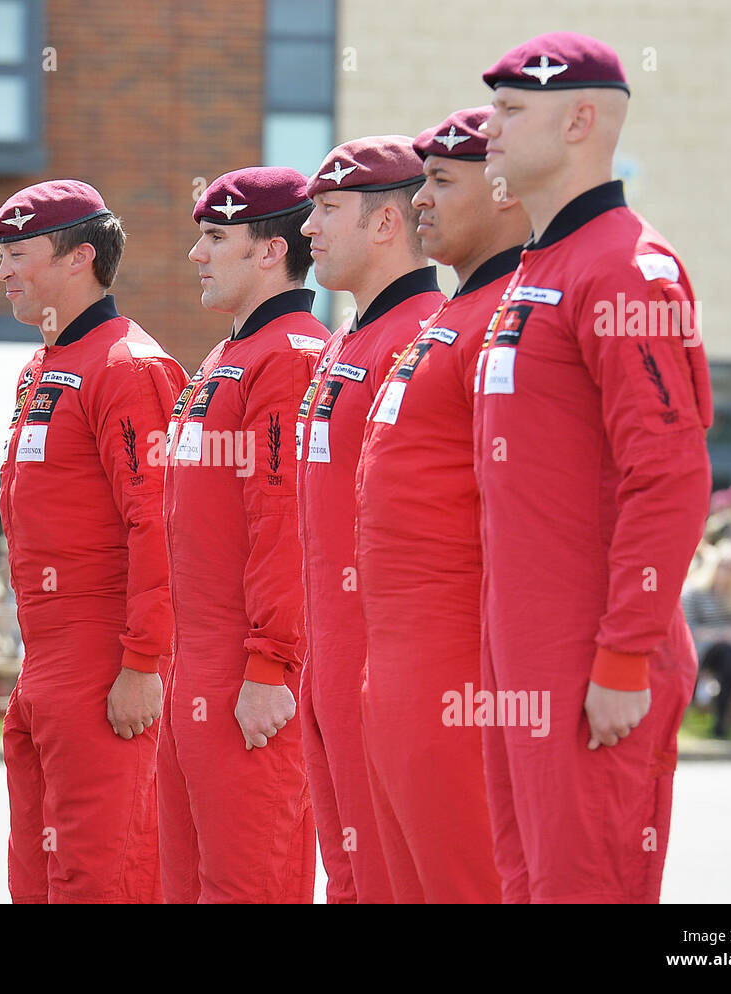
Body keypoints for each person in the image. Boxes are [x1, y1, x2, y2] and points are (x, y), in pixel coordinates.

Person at [475, 32, 713, 903]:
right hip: (521, 652)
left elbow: (673, 475)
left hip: (590, 655)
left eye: (510, 111)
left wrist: (622, 656)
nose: (489, 129)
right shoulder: (541, 267)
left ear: (580, 120)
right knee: (527, 887)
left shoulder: (622, 269)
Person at [0, 180, 187, 903]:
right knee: (37, 877)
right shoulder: (42, 367)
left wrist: (141, 662)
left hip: (102, 657)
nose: (3, 270)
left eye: (17, 253)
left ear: (79, 259)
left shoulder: (127, 367)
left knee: (104, 873)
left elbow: (159, 522)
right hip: (41, 656)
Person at [354, 108, 531, 903]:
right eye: (419, 180)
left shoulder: (510, 317)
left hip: (457, 665)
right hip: (389, 664)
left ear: (502, 191)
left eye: (441, 181)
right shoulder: (449, 319)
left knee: (467, 882)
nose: (420, 199)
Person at [157, 167, 327, 903]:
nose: (197, 253)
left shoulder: (291, 356)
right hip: (191, 661)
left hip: (246, 666)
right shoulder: (225, 357)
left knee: (248, 882)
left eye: (216, 237)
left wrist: (270, 665)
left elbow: (287, 521)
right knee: (184, 882)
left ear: (268, 252)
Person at [294, 135, 444, 903]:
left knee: (388, 878)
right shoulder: (349, 337)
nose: (308, 228)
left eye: (327, 209)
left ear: (386, 224)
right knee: (347, 878)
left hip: (381, 660)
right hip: (327, 653)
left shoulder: (421, 333)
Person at [681, 540, 731, 738]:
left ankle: (720, 724)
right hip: (700, 650)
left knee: (728, 663)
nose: (726, 571)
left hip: (729, 652)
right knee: (726, 652)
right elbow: (688, 628)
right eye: (723, 565)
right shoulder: (694, 592)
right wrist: (719, 633)